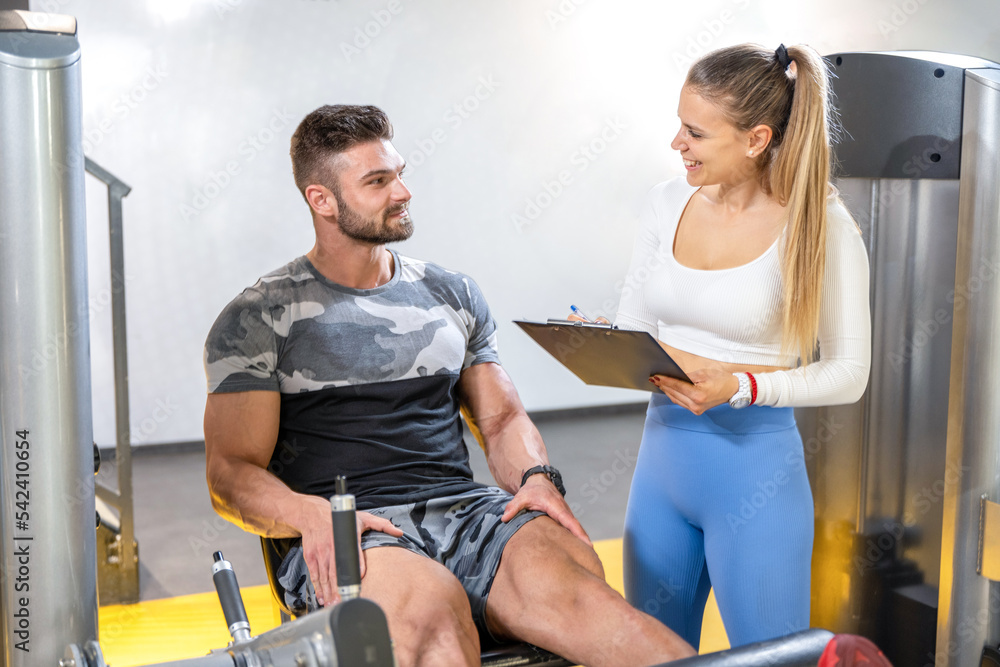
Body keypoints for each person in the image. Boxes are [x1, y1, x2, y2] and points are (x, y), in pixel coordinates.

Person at [203, 104, 695, 667]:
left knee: (578, 585)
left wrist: (536, 479)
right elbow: (230, 472)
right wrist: (308, 515)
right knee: (430, 612)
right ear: (322, 201)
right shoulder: (260, 316)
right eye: (378, 181)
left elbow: (502, 419)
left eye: (400, 173)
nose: (403, 191)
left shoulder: (451, 293)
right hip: (350, 526)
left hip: (463, 510)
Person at [608, 44, 871, 649]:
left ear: (755, 139)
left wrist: (743, 385)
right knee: (649, 654)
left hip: (755, 476)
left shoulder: (820, 225)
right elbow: (632, 326)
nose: (677, 143)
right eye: (679, 124)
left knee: (771, 659)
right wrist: (599, 342)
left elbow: (850, 373)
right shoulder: (665, 201)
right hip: (661, 466)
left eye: (696, 133)